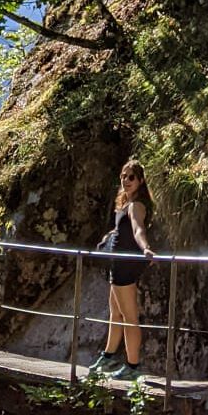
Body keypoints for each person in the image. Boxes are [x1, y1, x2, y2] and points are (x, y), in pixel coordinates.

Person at [92, 159, 155, 380]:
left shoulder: (137, 206)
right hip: (117, 263)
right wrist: (110, 235)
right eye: (123, 176)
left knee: (129, 317)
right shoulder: (125, 204)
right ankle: (108, 356)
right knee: (116, 313)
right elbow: (124, 230)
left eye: (131, 177)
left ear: (140, 180)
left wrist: (146, 248)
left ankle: (132, 365)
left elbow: (138, 230)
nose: (125, 181)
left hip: (125, 266)